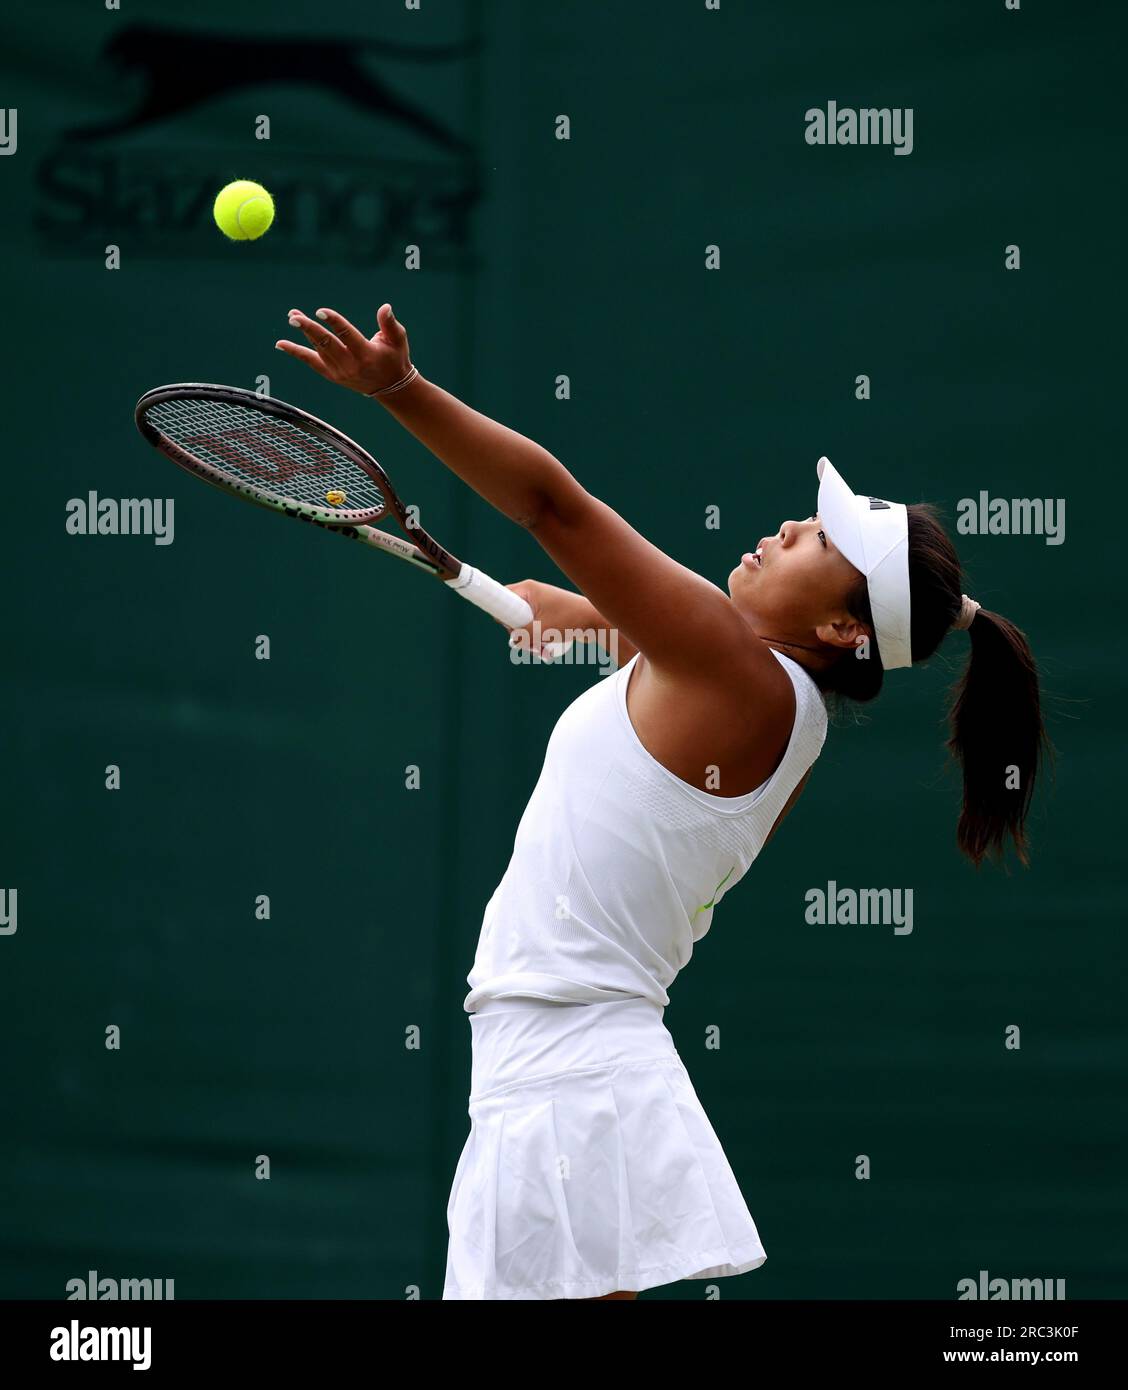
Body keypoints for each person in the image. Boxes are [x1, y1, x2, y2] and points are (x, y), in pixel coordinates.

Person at [276, 303, 1047, 1301]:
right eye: (813, 517)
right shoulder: (767, 693)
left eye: (820, 540)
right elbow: (648, 638)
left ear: (841, 625)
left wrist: (401, 391)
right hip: (569, 1073)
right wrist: (583, 619)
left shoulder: (735, 671)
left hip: (566, 1079)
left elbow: (554, 507)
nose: (787, 527)